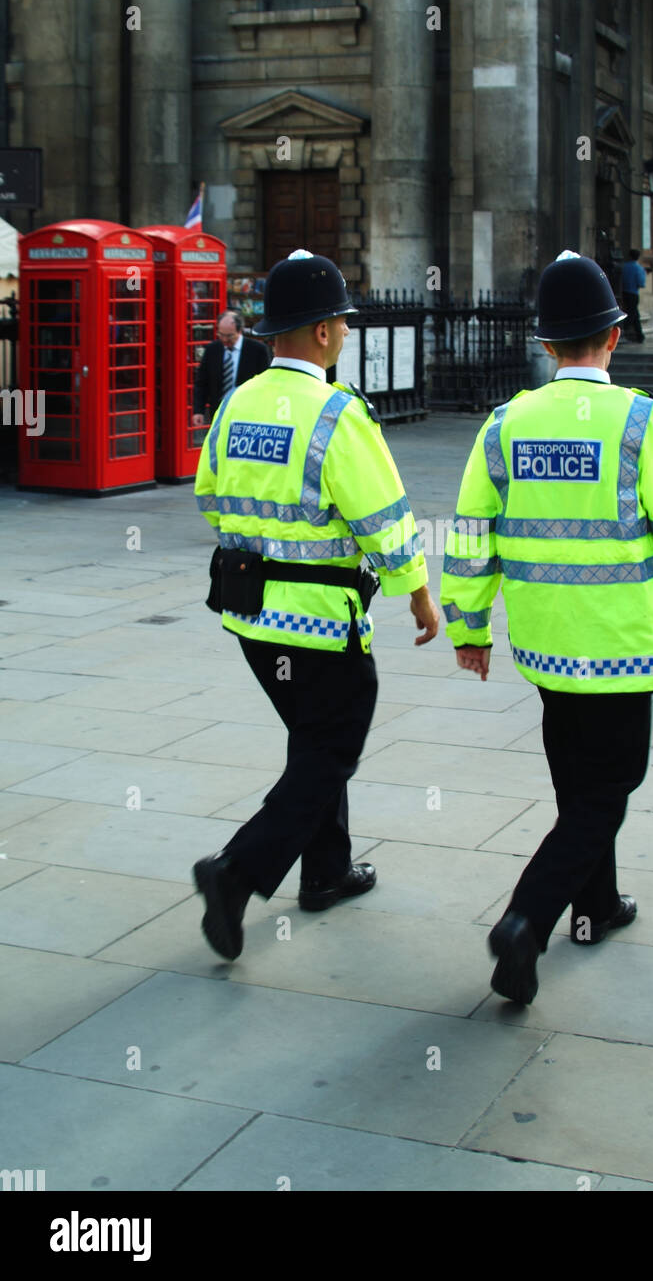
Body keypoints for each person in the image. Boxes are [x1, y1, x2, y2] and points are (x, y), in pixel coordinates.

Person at [440, 251, 653, 1004]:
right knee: (607, 792)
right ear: (613, 335)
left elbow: (471, 536)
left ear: (544, 343)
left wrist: (468, 627)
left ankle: (594, 907)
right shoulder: (640, 421)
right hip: (620, 645)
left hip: (544, 645)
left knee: (577, 784)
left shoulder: (504, 426)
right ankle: (524, 920)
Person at [192, 250, 440, 961]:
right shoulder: (338, 413)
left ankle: (326, 872)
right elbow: (385, 520)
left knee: (312, 743)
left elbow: (208, 494)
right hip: (319, 623)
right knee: (331, 749)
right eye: (344, 325)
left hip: (246, 615)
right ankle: (236, 872)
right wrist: (418, 594)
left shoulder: (239, 401)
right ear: (327, 332)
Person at [193, 310, 271, 427]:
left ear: (240, 331)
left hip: (248, 413)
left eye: (229, 336)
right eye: (221, 335)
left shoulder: (258, 350)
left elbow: (266, 383)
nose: (224, 340)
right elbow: (201, 383)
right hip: (218, 413)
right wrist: (198, 411)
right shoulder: (212, 349)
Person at [620, 248, 647, 342]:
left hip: (624, 292)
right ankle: (623, 330)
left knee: (635, 314)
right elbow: (641, 283)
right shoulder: (639, 268)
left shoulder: (624, 266)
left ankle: (640, 335)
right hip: (633, 293)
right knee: (632, 314)